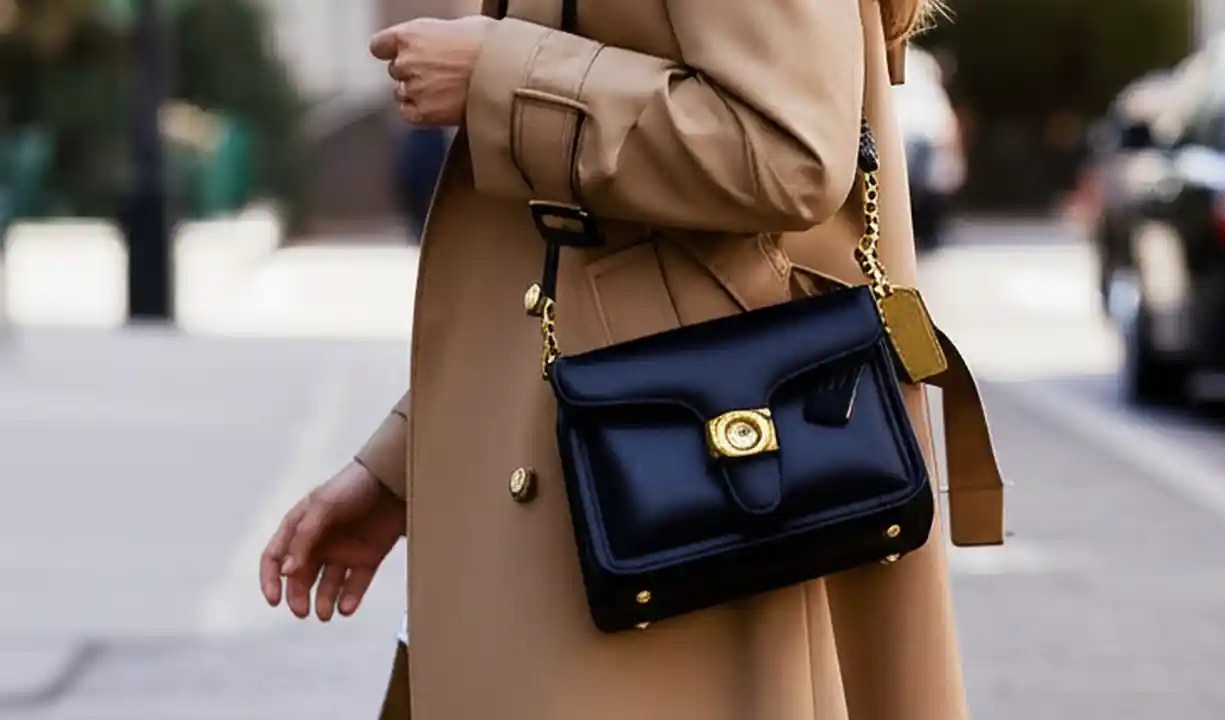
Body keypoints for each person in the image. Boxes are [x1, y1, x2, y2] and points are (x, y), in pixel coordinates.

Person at [259, 1, 1003, 718]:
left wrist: (504, 78)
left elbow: (791, 149)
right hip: (632, 483)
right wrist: (405, 462)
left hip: (691, 498)